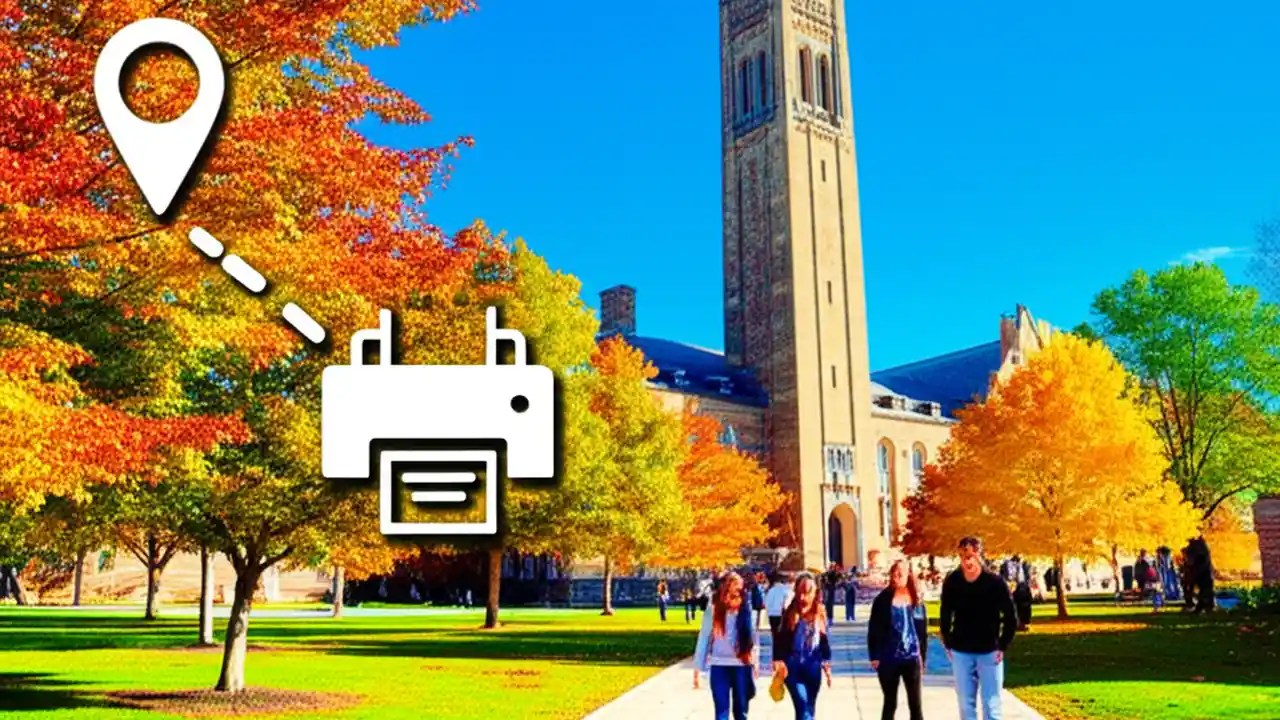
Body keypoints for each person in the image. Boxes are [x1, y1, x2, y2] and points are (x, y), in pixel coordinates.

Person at [940, 536, 1018, 720]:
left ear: (979, 556)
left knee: (991, 704)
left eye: (971, 555)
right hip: (961, 651)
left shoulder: (995, 583)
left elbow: (1010, 616)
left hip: (989, 651)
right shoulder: (953, 581)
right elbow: (945, 612)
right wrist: (947, 640)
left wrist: (1002, 644)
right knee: (966, 704)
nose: (967, 560)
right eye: (963, 555)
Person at [693, 571, 759, 720]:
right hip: (719, 665)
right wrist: (698, 667)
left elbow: (753, 638)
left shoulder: (746, 608)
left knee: (741, 712)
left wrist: (755, 663)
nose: (737, 594)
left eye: (739, 590)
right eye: (733, 589)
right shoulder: (715, 607)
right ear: (725, 588)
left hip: (742, 664)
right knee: (721, 712)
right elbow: (705, 636)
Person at [868, 560, 927, 720]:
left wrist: (922, 656)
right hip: (889, 658)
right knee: (890, 703)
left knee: (915, 705)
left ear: (908, 574)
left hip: (911, 658)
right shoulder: (882, 600)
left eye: (900, 573)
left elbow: (922, 633)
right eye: (894, 573)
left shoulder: (917, 601)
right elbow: (873, 629)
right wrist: (874, 656)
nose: (896, 576)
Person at [771, 573, 832, 720]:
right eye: (800, 592)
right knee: (803, 706)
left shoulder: (820, 612)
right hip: (792, 667)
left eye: (807, 593)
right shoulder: (790, 612)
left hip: (813, 667)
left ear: (814, 592)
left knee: (809, 708)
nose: (803, 597)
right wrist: (777, 660)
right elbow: (779, 638)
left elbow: (824, 640)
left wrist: (827, 664)